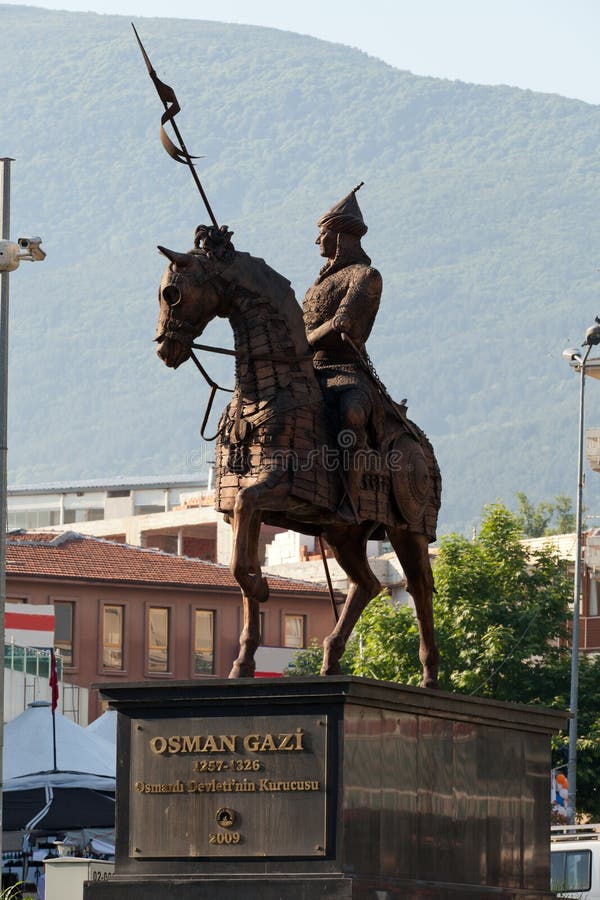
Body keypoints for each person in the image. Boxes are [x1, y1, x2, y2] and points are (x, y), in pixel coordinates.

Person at [303, 183, 383, 520]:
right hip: (308, 369)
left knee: (351, 414)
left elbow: (343, 324)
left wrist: (301, 342)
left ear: (338, 236)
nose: (317, 241)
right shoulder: (316, 286)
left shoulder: (365, 276)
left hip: (346, 372)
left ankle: (350, 500)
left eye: (321, 234)